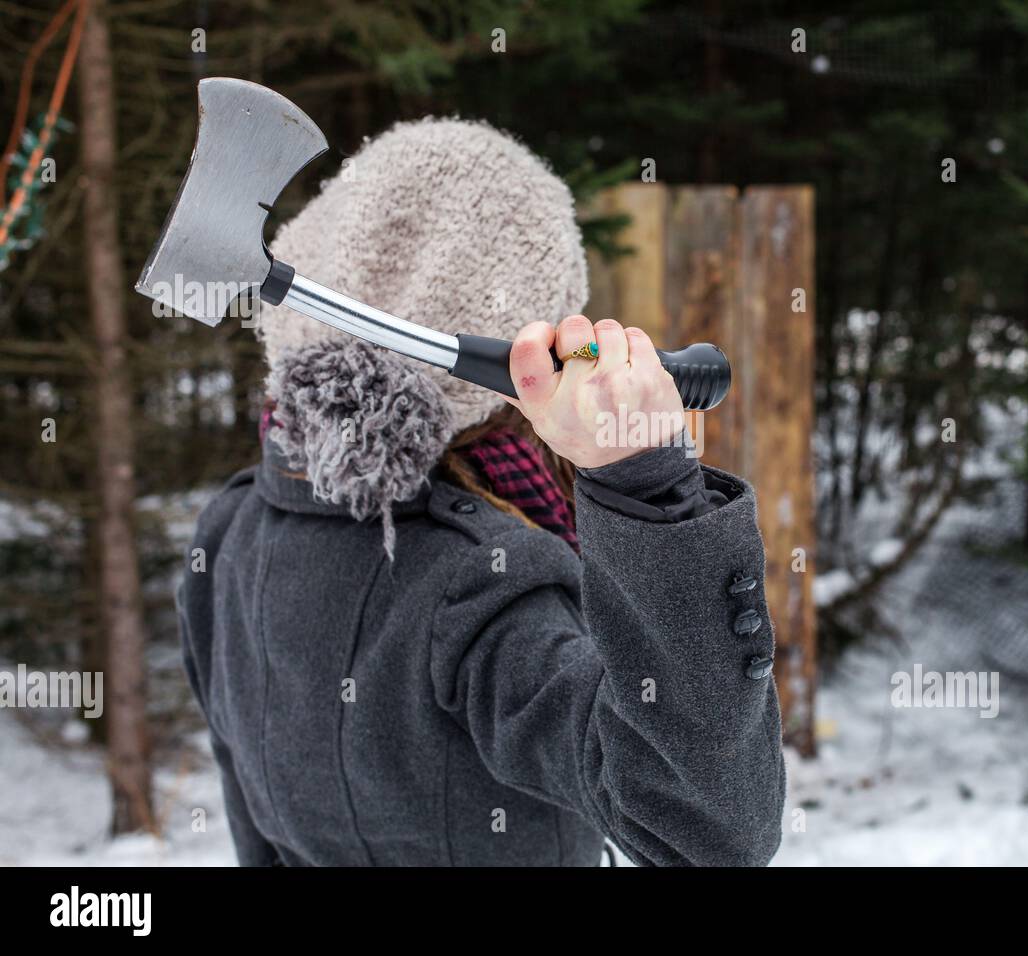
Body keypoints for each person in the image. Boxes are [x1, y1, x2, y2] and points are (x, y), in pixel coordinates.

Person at [177, 116, 786, 867]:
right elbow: (709, 831)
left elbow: (255, 838)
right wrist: (648, 491)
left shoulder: (230, 532)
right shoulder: (485, 585)